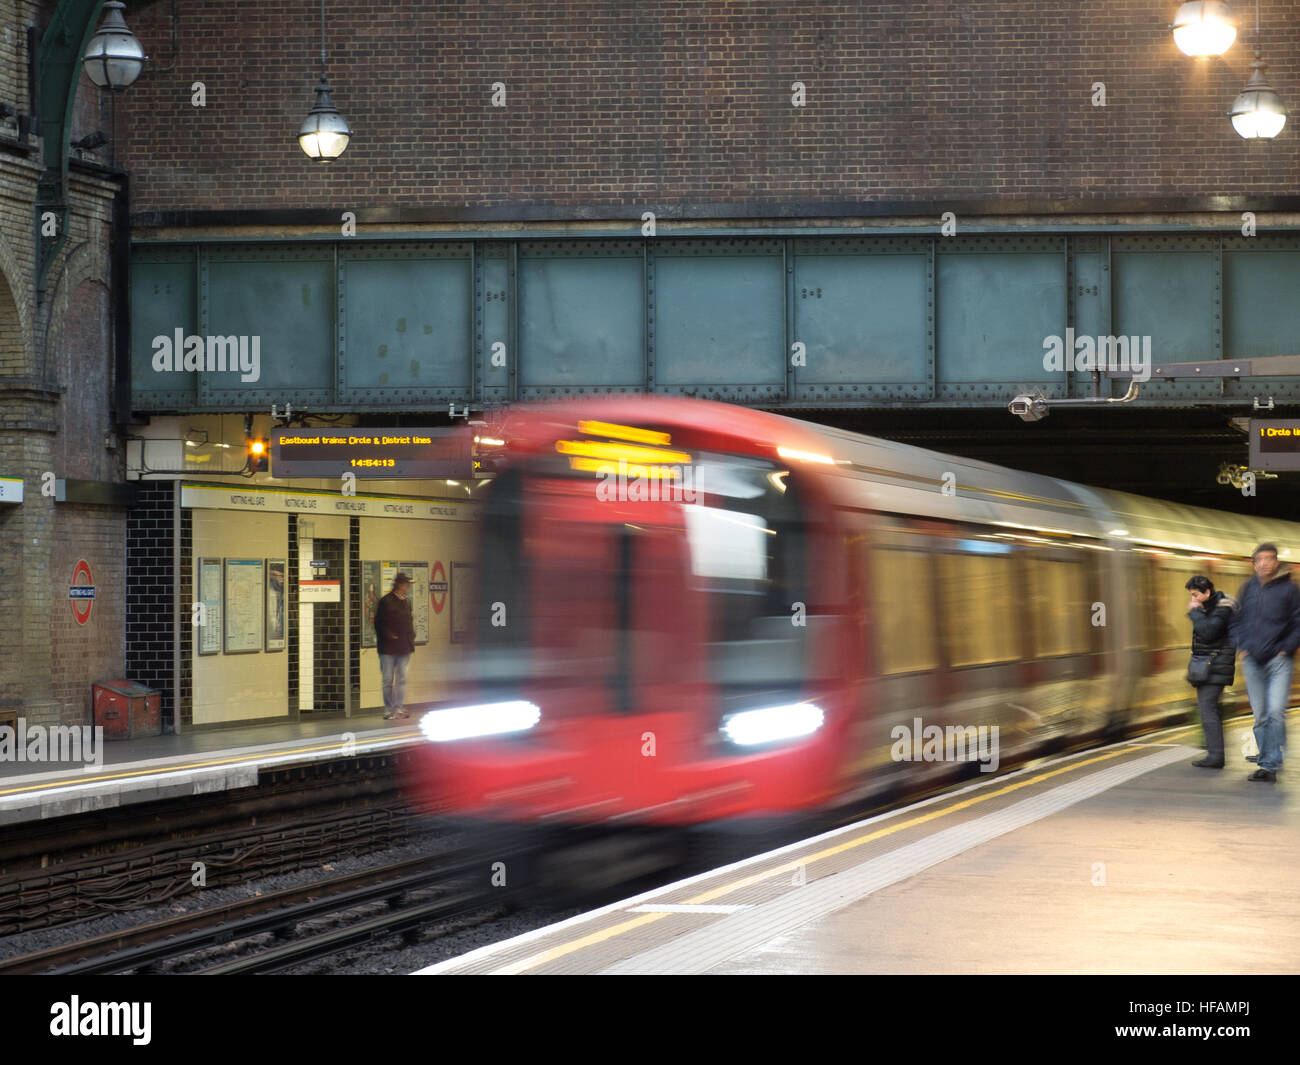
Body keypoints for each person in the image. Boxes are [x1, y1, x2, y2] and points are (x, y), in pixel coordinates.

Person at [1229, 543, 1300, 782]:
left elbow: (1298, 623)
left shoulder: (1290, 590)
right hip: (1253, 660)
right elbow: (1235, 620)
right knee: (1260, 715)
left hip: (1279, 660)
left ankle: (1269, 765)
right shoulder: (1246, 588)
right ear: (1254, 563)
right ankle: (1269, 758)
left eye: (1270, 559)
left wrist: (1286, 649)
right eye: (1261, 559)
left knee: (1276, 712)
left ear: (1277, 561)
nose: (1266, 563)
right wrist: (1242, 646)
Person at [1185, 576, 1236, 769]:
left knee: (1208, 710)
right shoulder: (1210, 607)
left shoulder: (1223, 607)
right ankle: (1214, 754)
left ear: (1207, 592)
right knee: (1208, 709)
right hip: (1210, 667)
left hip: (1215, 667)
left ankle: (1215, 756)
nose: (1193, 599)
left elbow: (1208, 633)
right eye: (1191, 595)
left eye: (1195, 594)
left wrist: (1196, 612)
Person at [374, 572, 416, 720]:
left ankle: (398, 708)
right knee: (387, 679)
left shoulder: (406, 601)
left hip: (404, 647)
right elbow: (378, 623)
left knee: (402, 679)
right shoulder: (386, 601)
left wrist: (411, 639)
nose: (408, 587)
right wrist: (390, 636)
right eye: (407, 585)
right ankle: (389, 709)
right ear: (400, 585)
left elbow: (409, 623)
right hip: (387, 648)